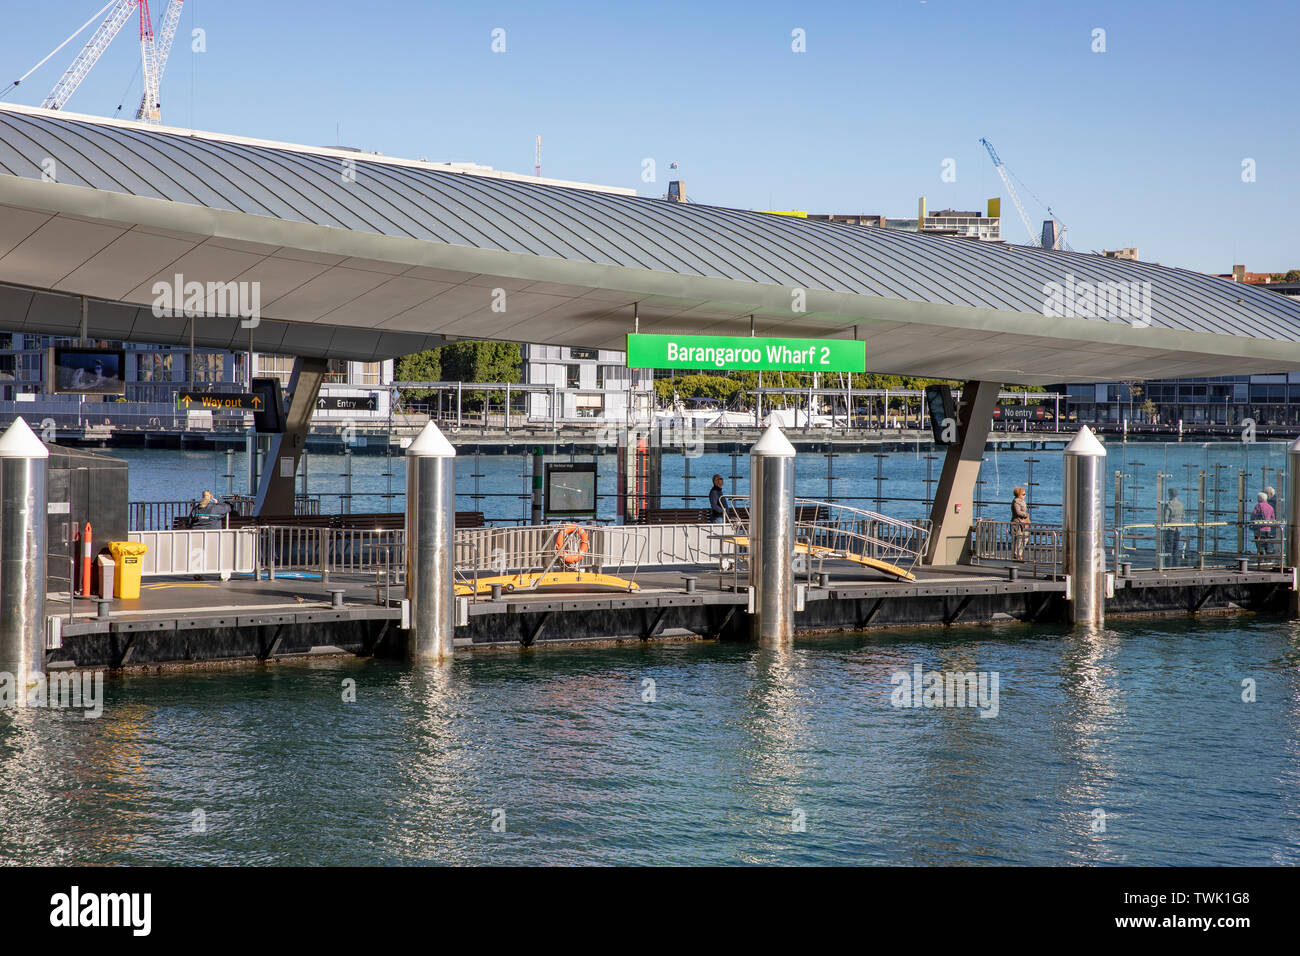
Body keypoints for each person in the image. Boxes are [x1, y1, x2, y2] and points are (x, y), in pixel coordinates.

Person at [1162, 488, 1184, 565]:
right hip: (1178, 528)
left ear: (1170, 494)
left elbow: (1165, 518)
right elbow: (1183, 517)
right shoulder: (1181, 504)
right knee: (1176, 546)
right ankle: (1175, 564)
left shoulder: (1169, 504)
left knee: (1168, 547)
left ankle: (1167, 564)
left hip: (1170, 528)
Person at [1010, 486, 1030, 560]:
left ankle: (1019, 553)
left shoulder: (1022, 501)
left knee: (1025, 538)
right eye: (1023, 494)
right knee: (1018, 538)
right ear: (1019, 494)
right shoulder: (1016, 502)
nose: (1025, 495)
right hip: (1017, 522)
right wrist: (1026, 515)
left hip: (1023, 522)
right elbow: (1017, 512)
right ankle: (1017, 554)